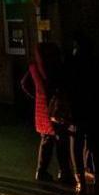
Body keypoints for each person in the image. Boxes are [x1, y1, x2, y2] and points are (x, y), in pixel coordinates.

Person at [21, 41, 72, 186]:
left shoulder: (34, 68)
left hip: (42, 108)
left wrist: (37, 96)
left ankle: (41, 171)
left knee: (46, 140)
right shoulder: (56, 66)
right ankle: (64, 172)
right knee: (62, 141)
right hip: (57, 108)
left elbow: (24, 84)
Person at [67, 35, 99, 191]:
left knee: (76, 145)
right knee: (96, 146)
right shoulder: (97, 64)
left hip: (77, 110)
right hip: (94, 110)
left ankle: (80, 180)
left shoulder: (72, 64)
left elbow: (66, 86)